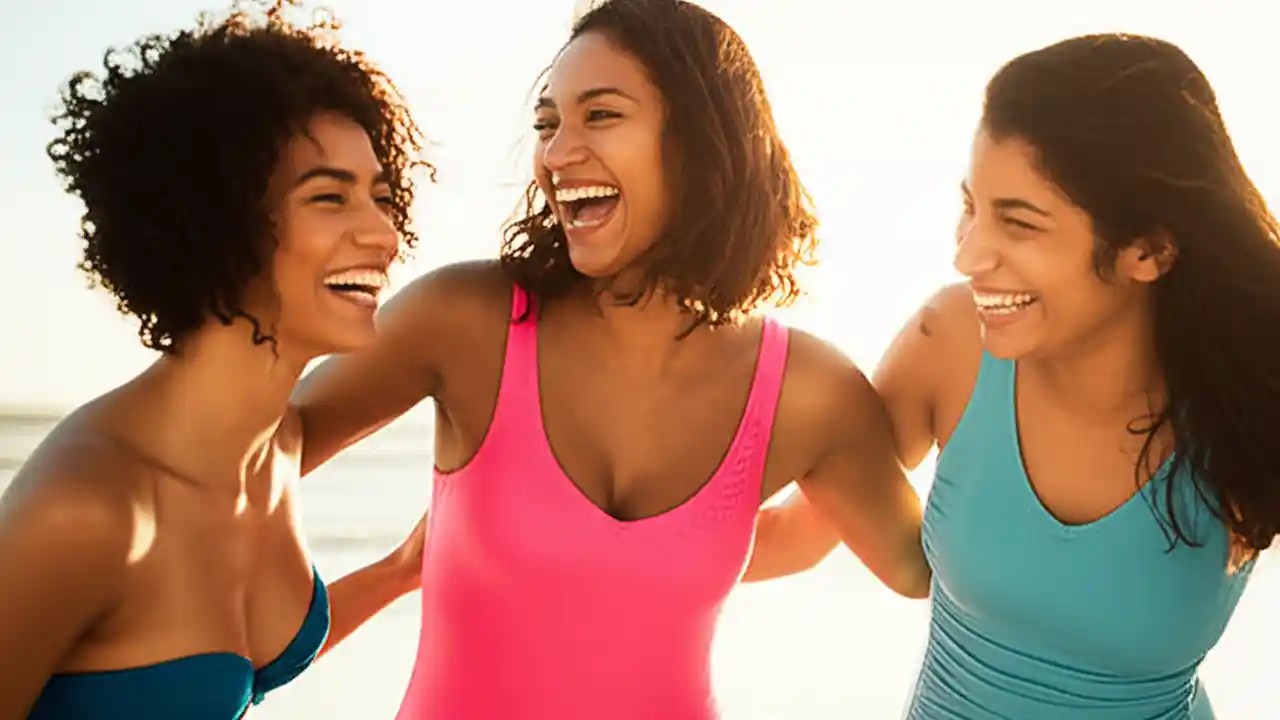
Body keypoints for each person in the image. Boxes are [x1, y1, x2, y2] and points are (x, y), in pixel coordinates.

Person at [291, 1, 929, 717]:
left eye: (600, 115)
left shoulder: (807, 391)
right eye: (546, 123)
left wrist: (945, 367)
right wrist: (386, 577)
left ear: (701, 140)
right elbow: (243, 462)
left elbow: (909, 565)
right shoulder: (465, 321)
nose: (558, 153)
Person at [758, 33, 1279, 719]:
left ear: (1148, 250)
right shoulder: (952, 346)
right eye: (972, 206)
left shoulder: (1251, 397)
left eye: (1019, 223)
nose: (969, 255)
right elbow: (798, 534)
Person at [0, 2, 430, 718]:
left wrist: (398, 573)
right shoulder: (90, 507)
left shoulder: (276, 448)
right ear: (215, 221)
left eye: (382, 197)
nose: (383, 232)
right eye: (330, 197)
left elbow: (218, 678)